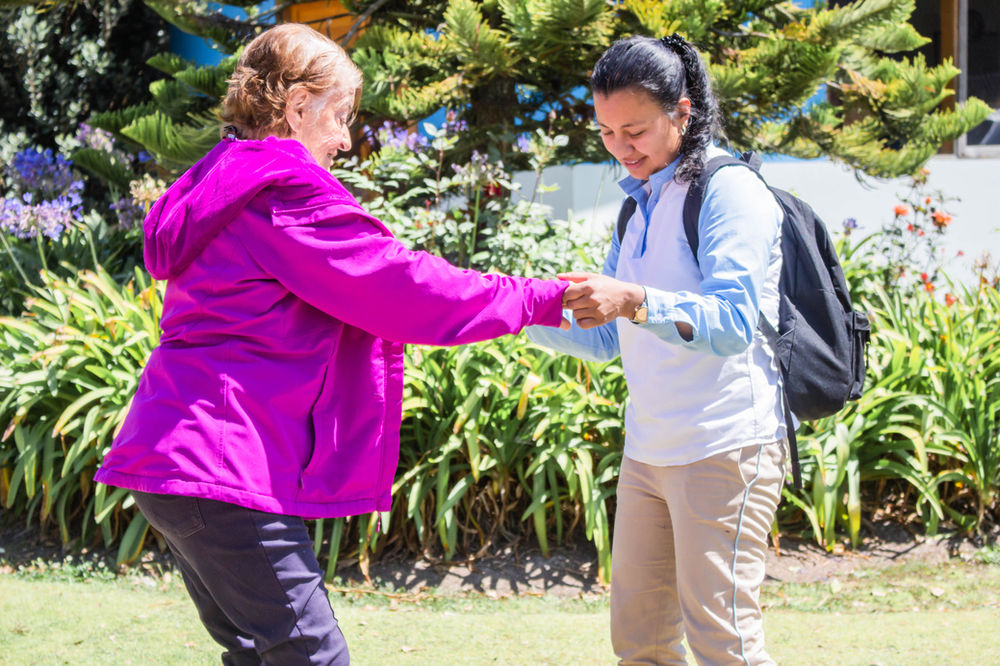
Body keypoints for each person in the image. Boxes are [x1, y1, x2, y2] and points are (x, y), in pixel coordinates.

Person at [93, 23, 575, 665]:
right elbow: (405, 291)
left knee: (262, 654)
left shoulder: (220, 179)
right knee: (311, 656)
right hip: (218, 460)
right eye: (340, 115)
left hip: (177, 455)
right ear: (297, 107)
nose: (346, 139)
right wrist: (542, 297)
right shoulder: (281, 191)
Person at [527, 34, 788, 665]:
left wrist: (635, 298)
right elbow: (604, 338)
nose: (621, 148)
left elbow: (731, 322)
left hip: (725, 446)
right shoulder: (637, 206)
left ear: (683, 111)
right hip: (649, 451)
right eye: (608, 132)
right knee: (640, 643)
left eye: (635, 130)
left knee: (723, 640)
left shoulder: (729, 192)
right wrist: (506, 311)